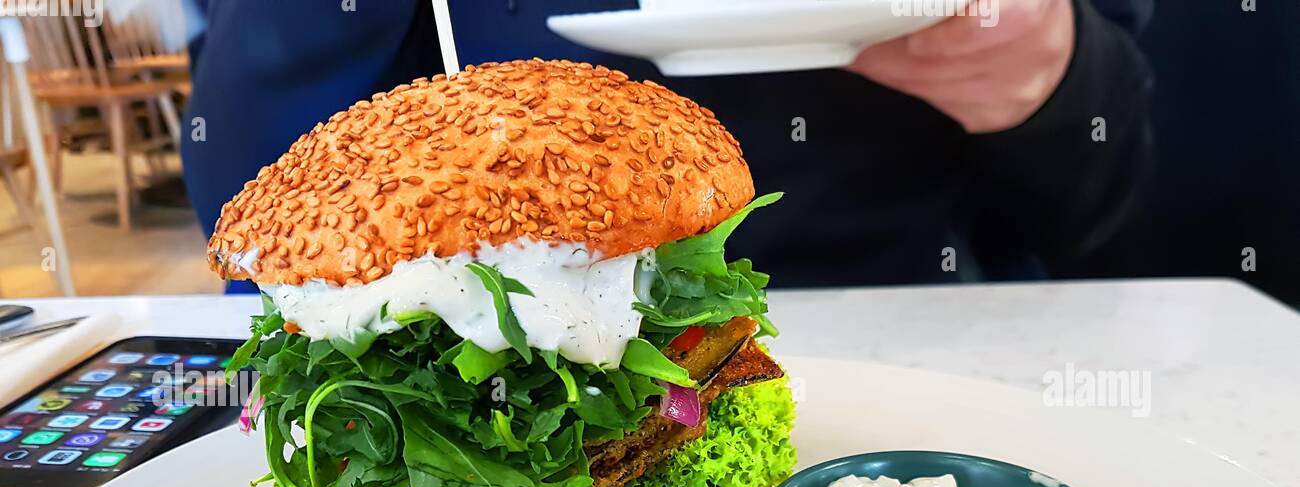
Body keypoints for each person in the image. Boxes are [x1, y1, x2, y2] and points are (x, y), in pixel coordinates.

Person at [181, 0, 1154, 289]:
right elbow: (254, 229)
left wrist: (1053, 77)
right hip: (515, 351)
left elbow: (1105, 204)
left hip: (942, 346)